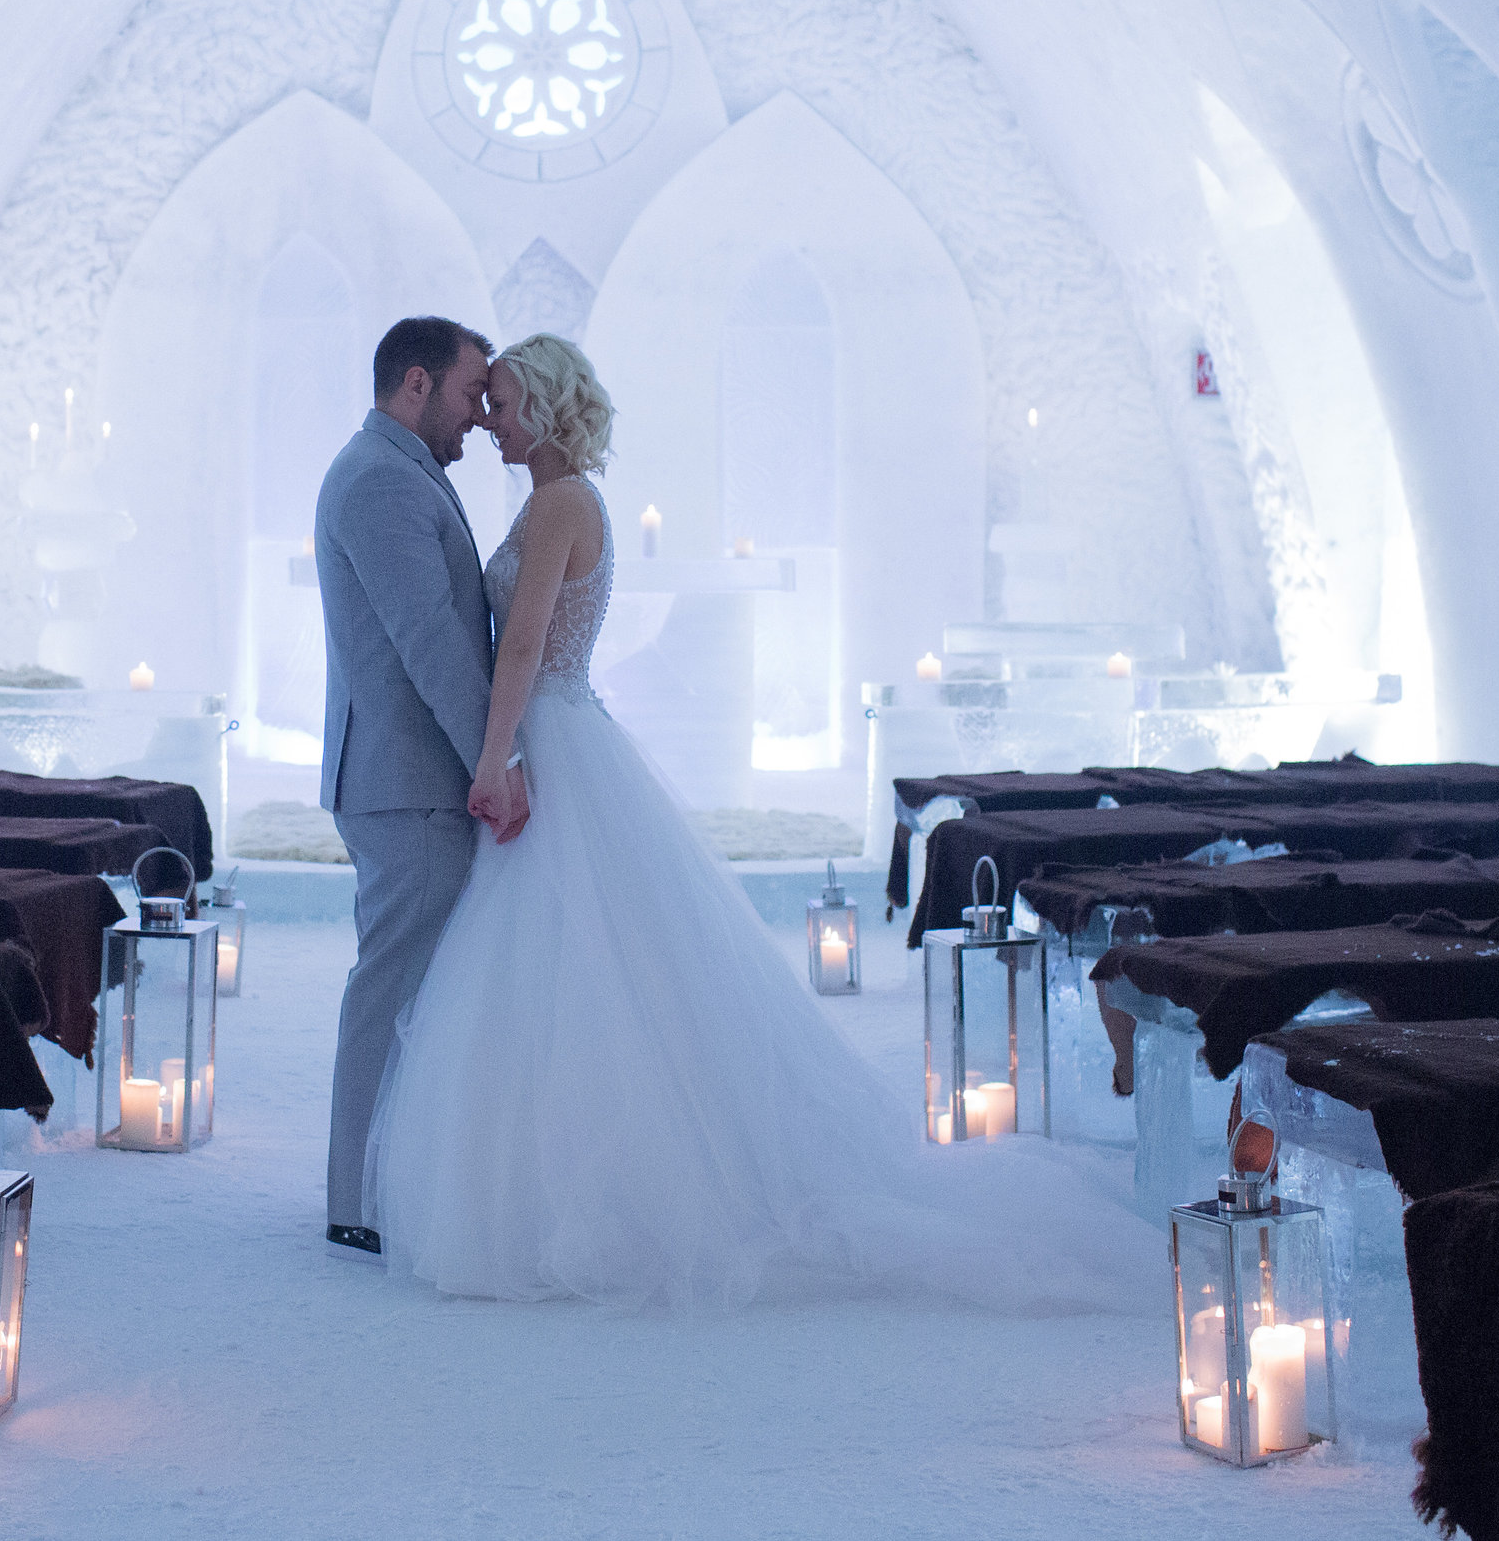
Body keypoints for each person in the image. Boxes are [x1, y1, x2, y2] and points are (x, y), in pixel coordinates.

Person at [363, 332, 1144, 1310]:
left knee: (564, 964)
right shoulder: (553, 499)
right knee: (577, 967)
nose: (490, 420)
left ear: (551, 409)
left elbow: (521, 649)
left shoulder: (561, 504)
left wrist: (493, 761)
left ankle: (582, 1197)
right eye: (486, 401)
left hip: (553, 739)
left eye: (506, 402)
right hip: (560, 735)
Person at [309, 314, 508, 1261]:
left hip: (407, 774)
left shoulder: (395, 468)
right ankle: (357, 1199)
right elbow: (429, 642)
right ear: (417, 382)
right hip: (410, 778)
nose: (479, 415)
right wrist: (494, 763)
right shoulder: (382, 480)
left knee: (409, 990)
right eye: (471, 393)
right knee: (389, 992)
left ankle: (388, 1181)